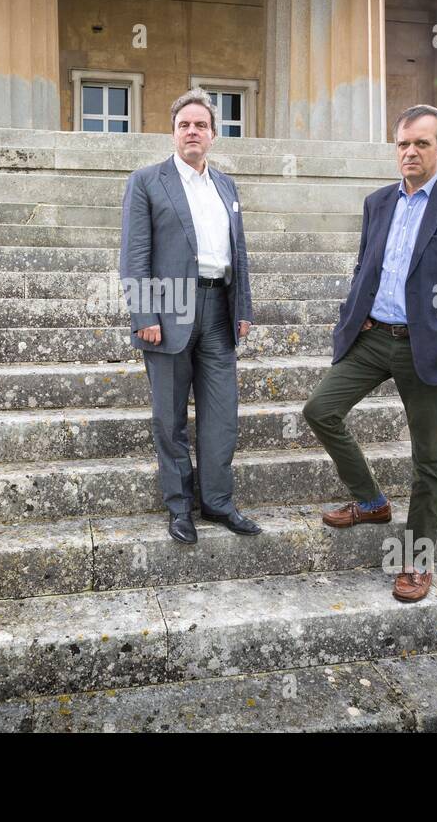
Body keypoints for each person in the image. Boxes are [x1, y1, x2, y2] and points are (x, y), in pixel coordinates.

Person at [302, 104, 437, 601]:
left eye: (422, 144)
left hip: (426, 346)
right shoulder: (377, 203)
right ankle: (370, 501)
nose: (410, 152)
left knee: (428, 460)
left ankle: (417, 561)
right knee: (320, 410)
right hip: (371, 339)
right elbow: (364, 267)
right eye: (403, 144)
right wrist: (356, 311)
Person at [119, 88, 258, 544]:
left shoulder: (225, 185)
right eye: (184, 125)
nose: (192, 131)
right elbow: (135, 253)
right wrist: (144, 313)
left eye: (200, 125)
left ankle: (218, 503)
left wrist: (242, 307)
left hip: (219, 305)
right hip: (171, 302)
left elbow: (238, 251)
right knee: (169, 416)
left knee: (223, 414)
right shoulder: (147, 181)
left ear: (213, 135)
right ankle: (179, 507)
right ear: (174, 133)